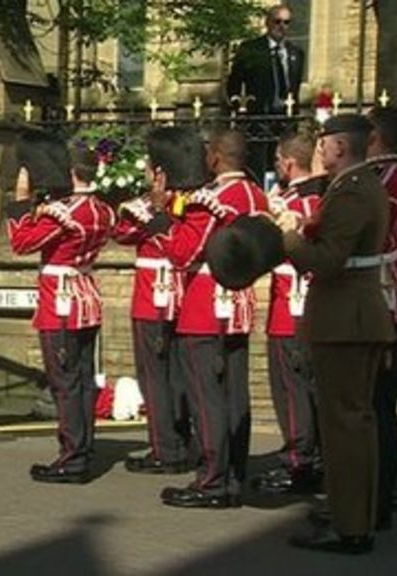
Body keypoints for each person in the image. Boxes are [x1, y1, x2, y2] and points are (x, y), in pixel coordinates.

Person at [279, 115, 394, 554]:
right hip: (356, 314)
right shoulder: (360, 187)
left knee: (343, 425)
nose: (319, 150)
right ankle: (356, 515)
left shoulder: (351, 191)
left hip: (345, 318)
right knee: (356, 424)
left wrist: (287, 238)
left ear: (341, 147)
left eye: (324, 142)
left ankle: (350, 527)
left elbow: (326, 260)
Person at [148, 128, 267, 509]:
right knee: (234, 393)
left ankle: (212, 480)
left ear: (214, 157)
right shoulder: (256, 194)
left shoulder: (209, 201)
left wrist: (159, 214)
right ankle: (233, 474)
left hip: (204, 304)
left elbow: (182, 253)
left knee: (206, 396)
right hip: (238, 304)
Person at [6, 146, 116, 484]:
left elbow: (21, 242)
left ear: (70, 174)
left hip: (62, 302)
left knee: (65, 384)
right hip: (86, 298)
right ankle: (83, 447)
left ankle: (72, 458)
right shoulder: (103, 210)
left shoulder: (65, 213)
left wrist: (22, 200)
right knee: (82, 381)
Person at [112, 132, 197, 476]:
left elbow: (123, 232)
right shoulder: (188, 202)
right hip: (181, 297)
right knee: (178, 376)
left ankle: (165, 449)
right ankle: (181, 441)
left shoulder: (151, 207)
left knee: (155, 378)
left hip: (153, 300)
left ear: (159, 172)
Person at [253, 130, 326, 495]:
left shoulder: (291, 203)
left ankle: (299, 462)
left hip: (292, 303)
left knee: (290, 388)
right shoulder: (321, 197)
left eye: (279, 161)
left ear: (288, 162)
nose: (278, 166)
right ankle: (315, 458)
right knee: (311, 387)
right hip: (316, 304)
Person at [364, 106, 397, 527]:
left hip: (377, 295)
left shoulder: (384, 179)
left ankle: (373, 498)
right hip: (382, 291)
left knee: (374, 403)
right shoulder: (392, 176)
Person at [227, 4, 306, 178]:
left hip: (285, 117)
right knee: (259, 165)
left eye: (286, 22)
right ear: (268, 23)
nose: (281, 26)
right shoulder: (250, 49)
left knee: (285, 162)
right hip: (259, 117)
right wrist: (238, 109)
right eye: (277, 21)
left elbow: (296, 86)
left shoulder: (296, 53)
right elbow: (234, 83)